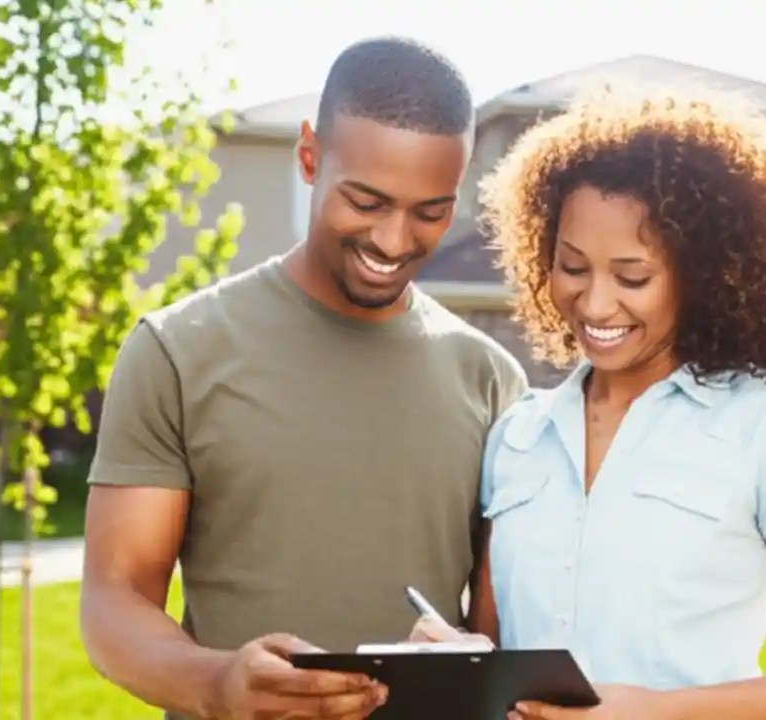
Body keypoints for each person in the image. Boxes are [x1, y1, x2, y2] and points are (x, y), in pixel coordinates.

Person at [413, 83, 766, 719]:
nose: (594, 304)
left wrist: (660, 710)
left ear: (702, 273)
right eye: (572, 266)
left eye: (632, 276)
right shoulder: (518, 436)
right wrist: (460, 659)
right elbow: (501, 650)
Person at [80, 36, 528, 720]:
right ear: (310, 156)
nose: (395, 240)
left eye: (430, 211)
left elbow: (498, 631)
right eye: (367, 201)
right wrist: (218, 683)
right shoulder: (177, 351)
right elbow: (114, 603)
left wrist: (475, 662)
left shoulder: (492, 380)